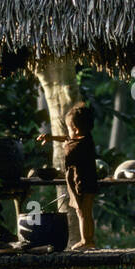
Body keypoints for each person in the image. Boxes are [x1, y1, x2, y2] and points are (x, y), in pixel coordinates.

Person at [37, 103, 99, 249]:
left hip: (82, 184)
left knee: (83, 212)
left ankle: (87, 241)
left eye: (69, 129)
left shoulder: (76, 147)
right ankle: (88, 239)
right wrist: (52, 138)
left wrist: (64, 146)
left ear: (76, 130)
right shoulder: (85, 138)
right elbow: (67, 138)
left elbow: (68, 149)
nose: (68, 133)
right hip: (88, 182)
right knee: (85, 212)